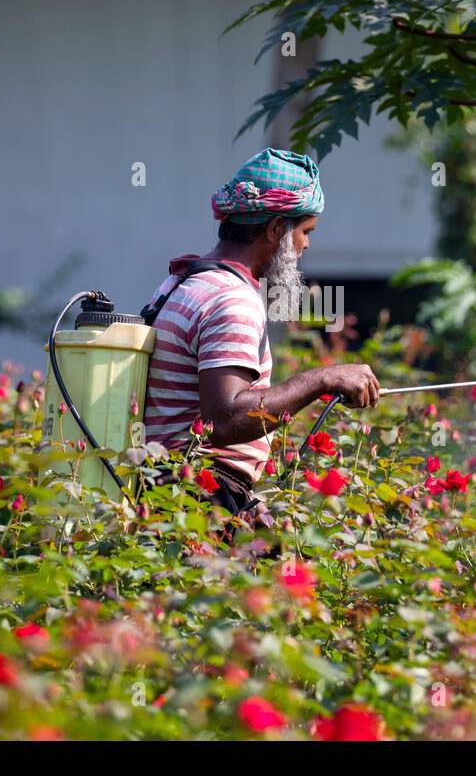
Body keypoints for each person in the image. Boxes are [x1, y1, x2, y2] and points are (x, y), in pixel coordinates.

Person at [141, 148, 379, 528]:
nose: (306, 246)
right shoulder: (230, 299)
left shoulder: (183, 283)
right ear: (275, 230)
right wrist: (322, 378)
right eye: (305, 232)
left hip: (175, 492)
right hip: (194, 500)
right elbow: (227, 419)